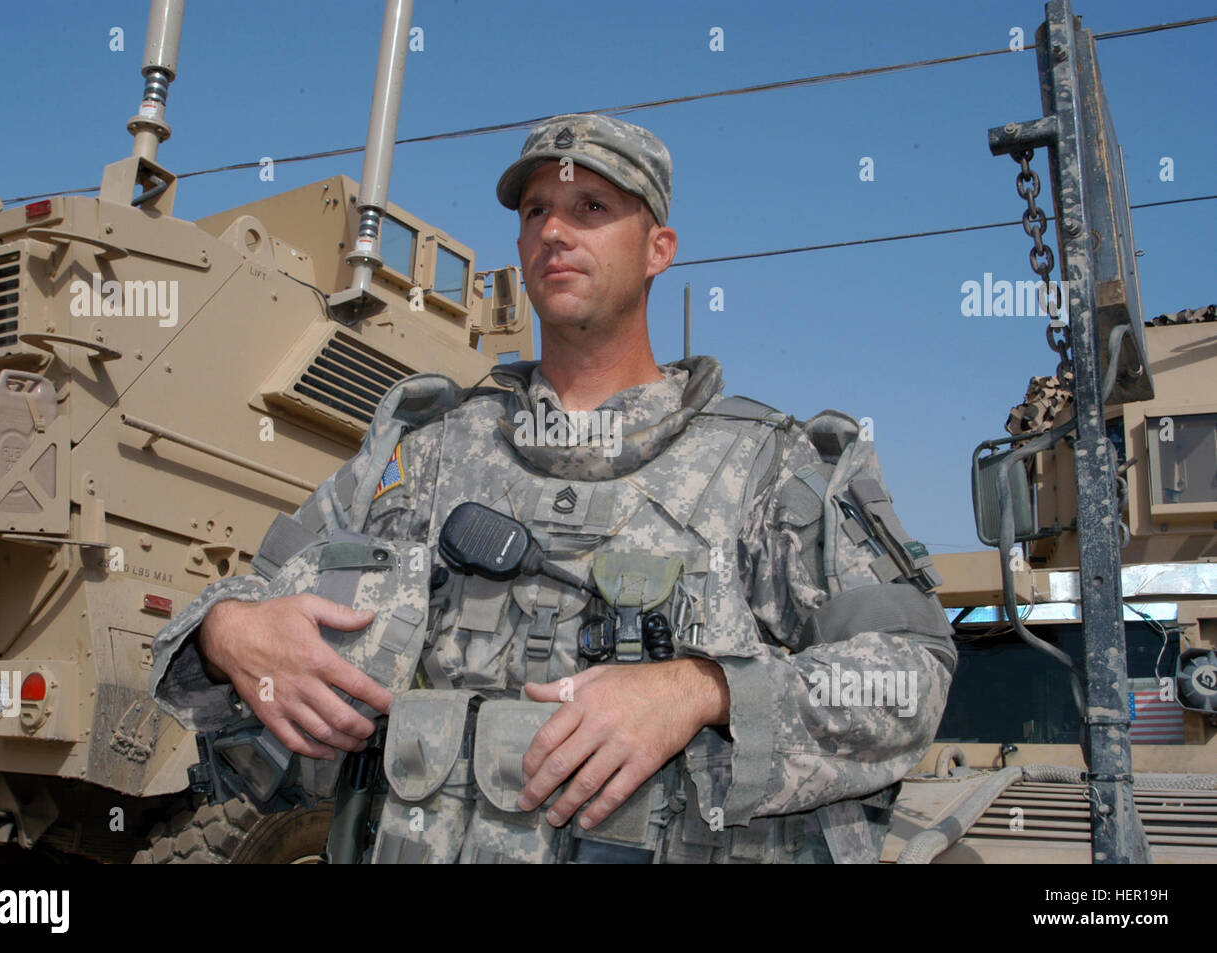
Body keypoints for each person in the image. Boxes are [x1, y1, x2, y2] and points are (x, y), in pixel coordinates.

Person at [151, 113, 957, 863]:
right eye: (536, 211)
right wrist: (228, 632)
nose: (554, 232)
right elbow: (242, 604)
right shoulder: (423, 450)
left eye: (592, 206)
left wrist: (700, 689)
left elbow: (910, 678)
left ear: (659, 247)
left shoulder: (770, 470)